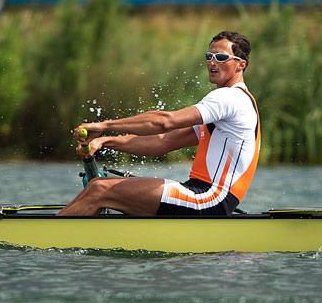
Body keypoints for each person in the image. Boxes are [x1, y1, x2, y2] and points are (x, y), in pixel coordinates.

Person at [59, 31, 261, 216]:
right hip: (204, 195)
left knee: (99, 189)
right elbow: (163, 141)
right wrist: (104, 142)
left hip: (210, 198)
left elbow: (165, 122)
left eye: (221, 58)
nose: (212, 63)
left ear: (241, 65)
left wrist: (104, 126)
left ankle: (51, 235)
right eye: (209, 57)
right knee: (99, 187)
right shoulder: (232, 104)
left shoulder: (230, 98)